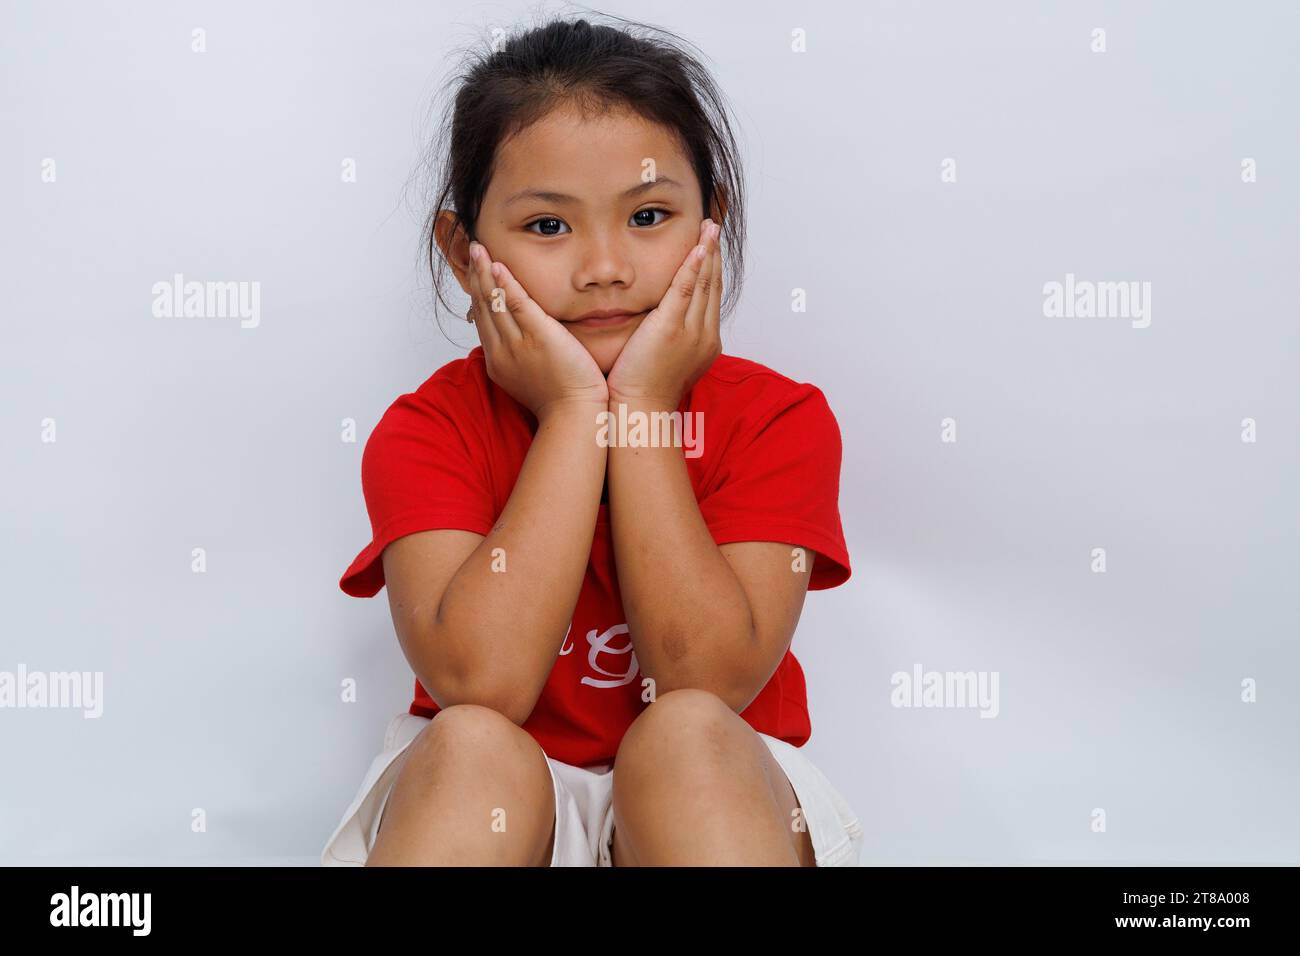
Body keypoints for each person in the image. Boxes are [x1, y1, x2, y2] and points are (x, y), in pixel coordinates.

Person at [321, 14, 864, 867]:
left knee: (682, 735)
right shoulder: (427, 429)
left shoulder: (776, 420)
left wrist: (642, 403)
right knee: (471, 743)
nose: (605, 267)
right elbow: (483, 683)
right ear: (465, 255)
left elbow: (708, 681)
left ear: (708, 227)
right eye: (548, 227)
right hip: (501, 811)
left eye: (649, 215)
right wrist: (576, 413)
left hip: (708, 802)